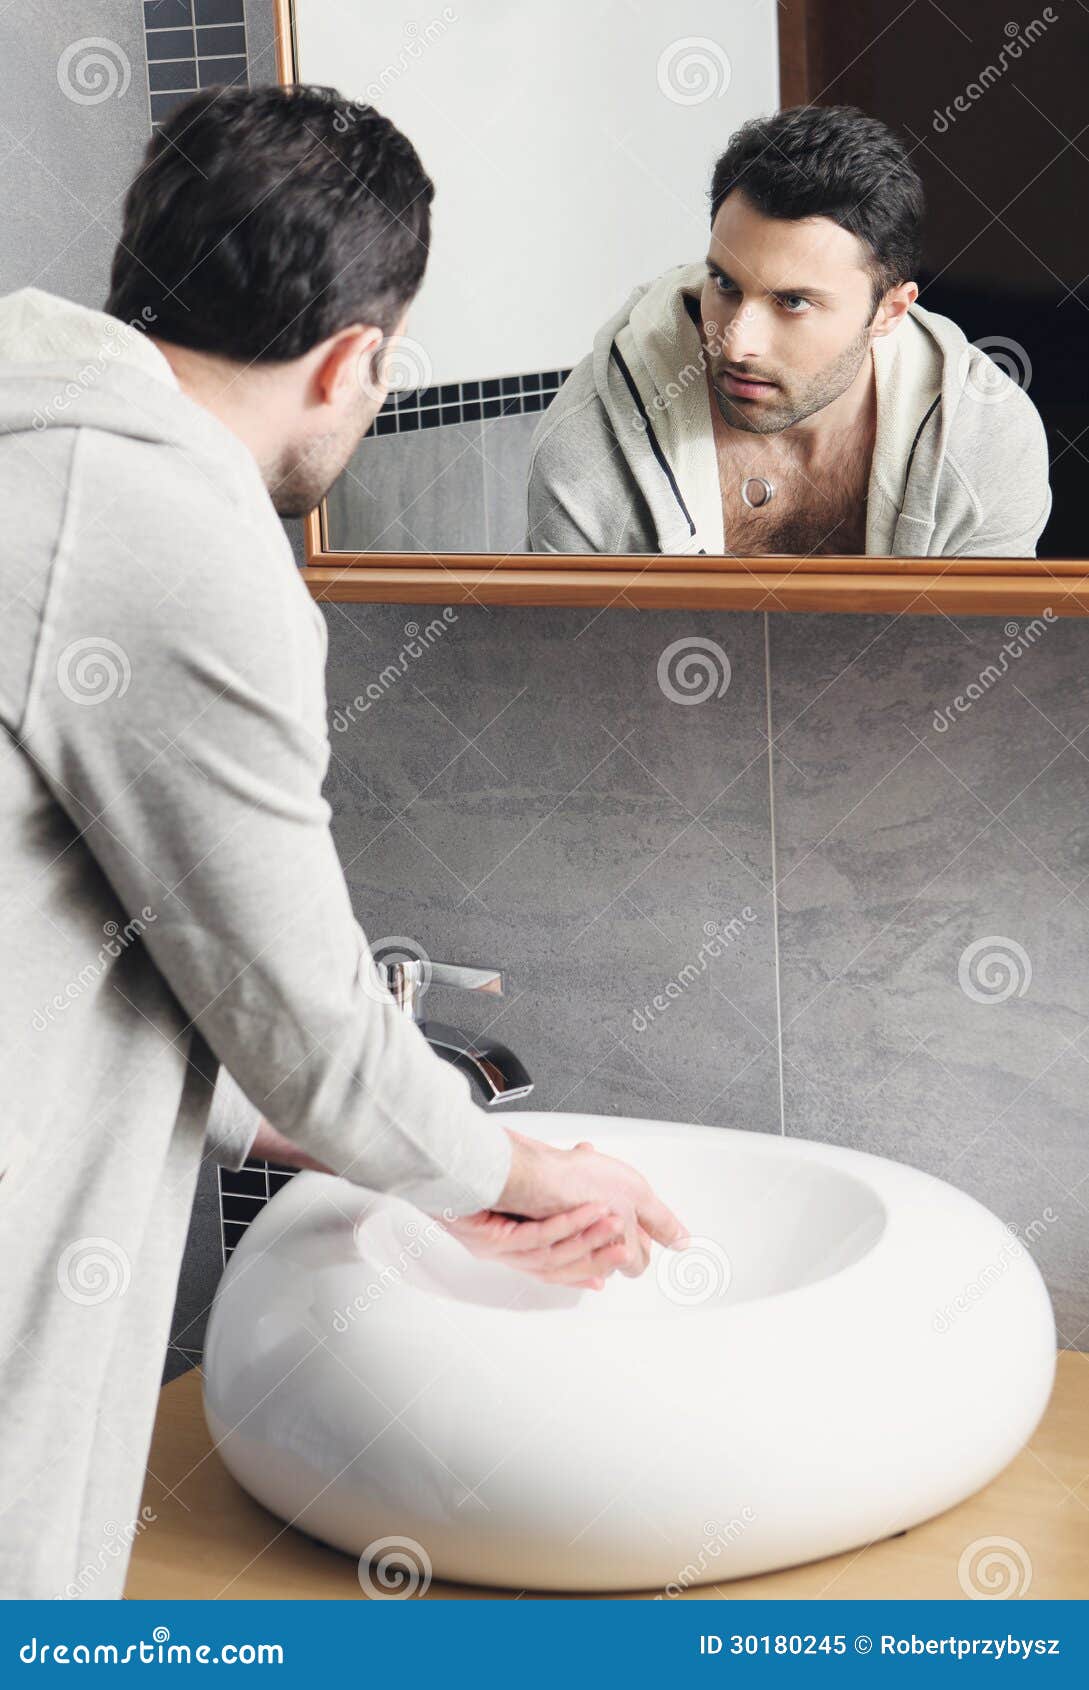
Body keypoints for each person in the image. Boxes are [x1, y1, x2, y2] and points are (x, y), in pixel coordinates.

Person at [0, 83, 686, 1601]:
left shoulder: (31, 432)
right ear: (359, 359)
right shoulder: (166, 523)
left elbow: (72, 931)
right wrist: (500, 1159)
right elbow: (306, 1019)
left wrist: (303, 1122)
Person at [527, 104, 1051, 559]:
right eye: (726, 284)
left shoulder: (981, 440)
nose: (735, 343)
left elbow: (976, 663)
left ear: (890, 311)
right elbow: (574, 663)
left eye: (793, 302)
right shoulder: (592, 441)